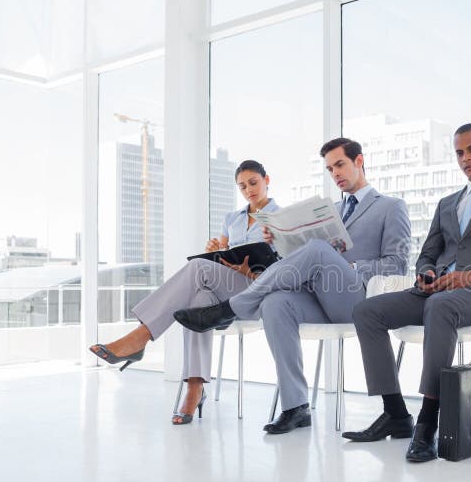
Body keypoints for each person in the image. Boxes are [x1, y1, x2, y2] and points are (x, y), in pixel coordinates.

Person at [174, 137, 411, 434]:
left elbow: (398, 264)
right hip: (320, 296)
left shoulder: (391, 207)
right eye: (329, 169)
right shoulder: (330, 208)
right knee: (276, 303)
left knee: (317, 249)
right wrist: (281, 243)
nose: (335, 173)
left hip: (357, 299)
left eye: (340, 164)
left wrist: (350, 266)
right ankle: (296, 406)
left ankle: (230, 308)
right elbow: (304, 262)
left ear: (359, 161)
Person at [344, 123, 471, 463]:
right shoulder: (448, 203)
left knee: (441, 307)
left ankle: (427, 422)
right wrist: (427, 273)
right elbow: (427, 254)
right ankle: (395, 413)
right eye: (459, 153)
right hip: (433, 293)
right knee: (367, 312)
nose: (466, 158)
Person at [88, 160, 280, 424]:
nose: (248, 190)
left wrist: (250, 272)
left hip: (257, 289)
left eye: (253, 183)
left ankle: (140, 337)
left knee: (197, 268)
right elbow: (222, 257)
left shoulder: (281, 216)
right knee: (198, 302)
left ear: (266, 180)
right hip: (225, 288)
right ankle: (194, 387)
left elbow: (285, 267)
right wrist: (214, 250)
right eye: (242, 186)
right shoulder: (232, 219)